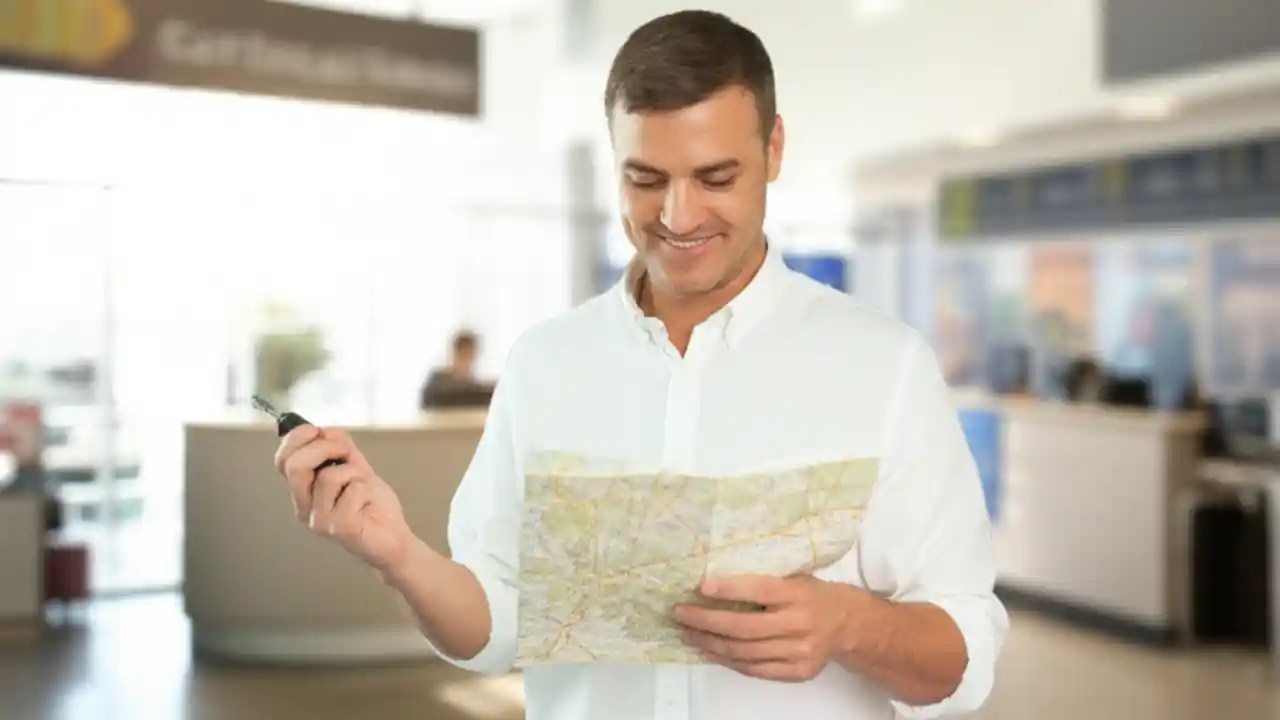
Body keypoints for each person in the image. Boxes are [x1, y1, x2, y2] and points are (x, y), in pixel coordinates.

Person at [273, 10, 1007, 719]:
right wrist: (398, 554)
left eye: (716, 178)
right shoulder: (546, 364)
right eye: (647, 179)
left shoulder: (883, 366)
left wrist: (852, 625)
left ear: (775, 149)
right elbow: (496, 628)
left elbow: (966, 656)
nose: (678, 217)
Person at [418, 330, 494, 409]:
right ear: (455, 354)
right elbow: (429, 403)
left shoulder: (474, 387)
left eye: (470, 355)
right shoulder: (437, 383)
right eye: (464, 354)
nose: (467, 362)